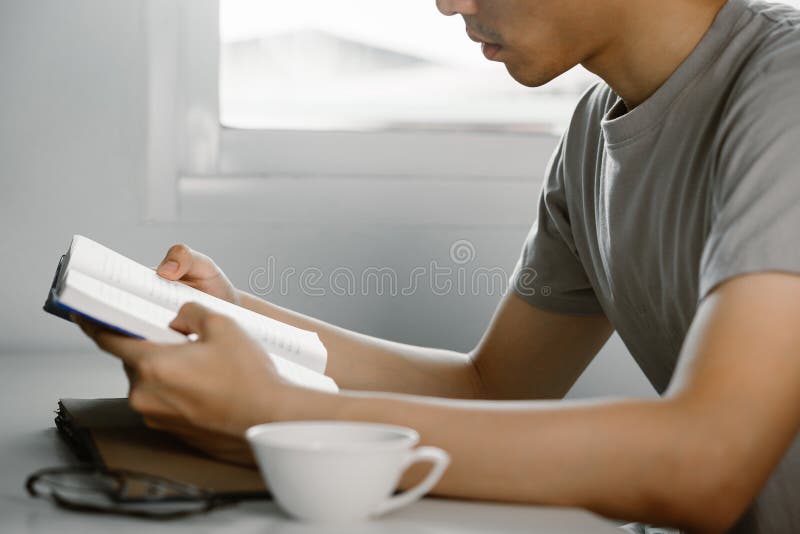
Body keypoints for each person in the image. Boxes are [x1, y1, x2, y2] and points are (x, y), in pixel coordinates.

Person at [78, 0, 800, 532]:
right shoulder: (591, 134)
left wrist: (283, 416)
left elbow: (708, 464)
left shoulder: (784, 87)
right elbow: (493, 387)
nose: (448, 3)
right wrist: (244, 322)